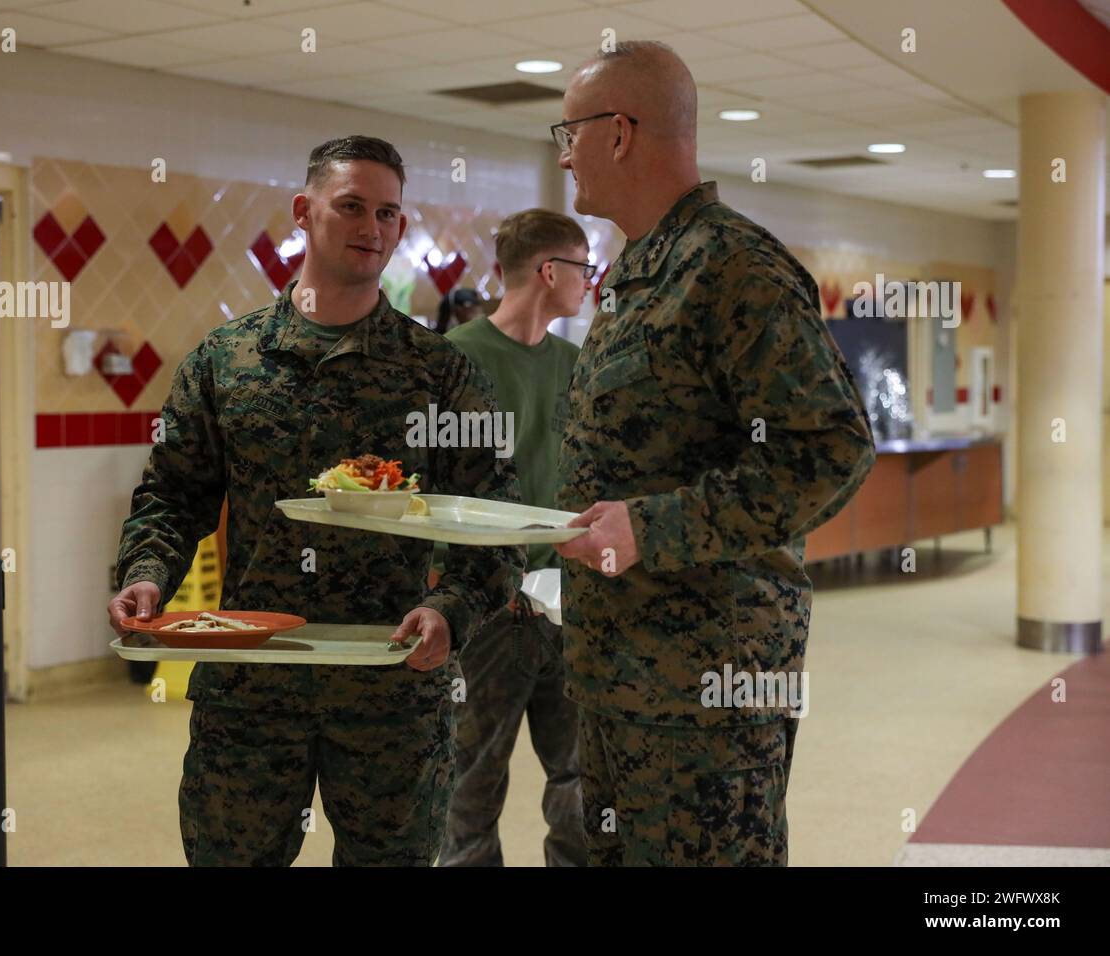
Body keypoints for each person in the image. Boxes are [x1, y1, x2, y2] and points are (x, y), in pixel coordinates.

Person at [109, 135, 523, 866]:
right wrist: (146, 574)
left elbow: (494, 521)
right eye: (351, 207)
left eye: (388, 213)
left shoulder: (440, 375)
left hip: (393, 685)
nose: (372, 228)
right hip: (253, 682)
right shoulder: (226, 361)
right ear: (304, 211)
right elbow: (173, 495)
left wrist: (452, 612)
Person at [551, 41, 876, 866]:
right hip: (618, 672)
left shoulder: (733, 267)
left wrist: (652, 529)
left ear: (618, 132)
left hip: (707, 690)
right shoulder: (634, 274)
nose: (563, 153)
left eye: (569, 132)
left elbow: (831, 449)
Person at [437, 209, 591, 867]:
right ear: (549, 271)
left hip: (569, 598)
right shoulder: (455, 361)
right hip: (486, 604)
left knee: (582, 773)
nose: (589, 281)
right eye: (584, 268)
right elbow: (425, 488)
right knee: (471, 777)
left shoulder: (577, 364)